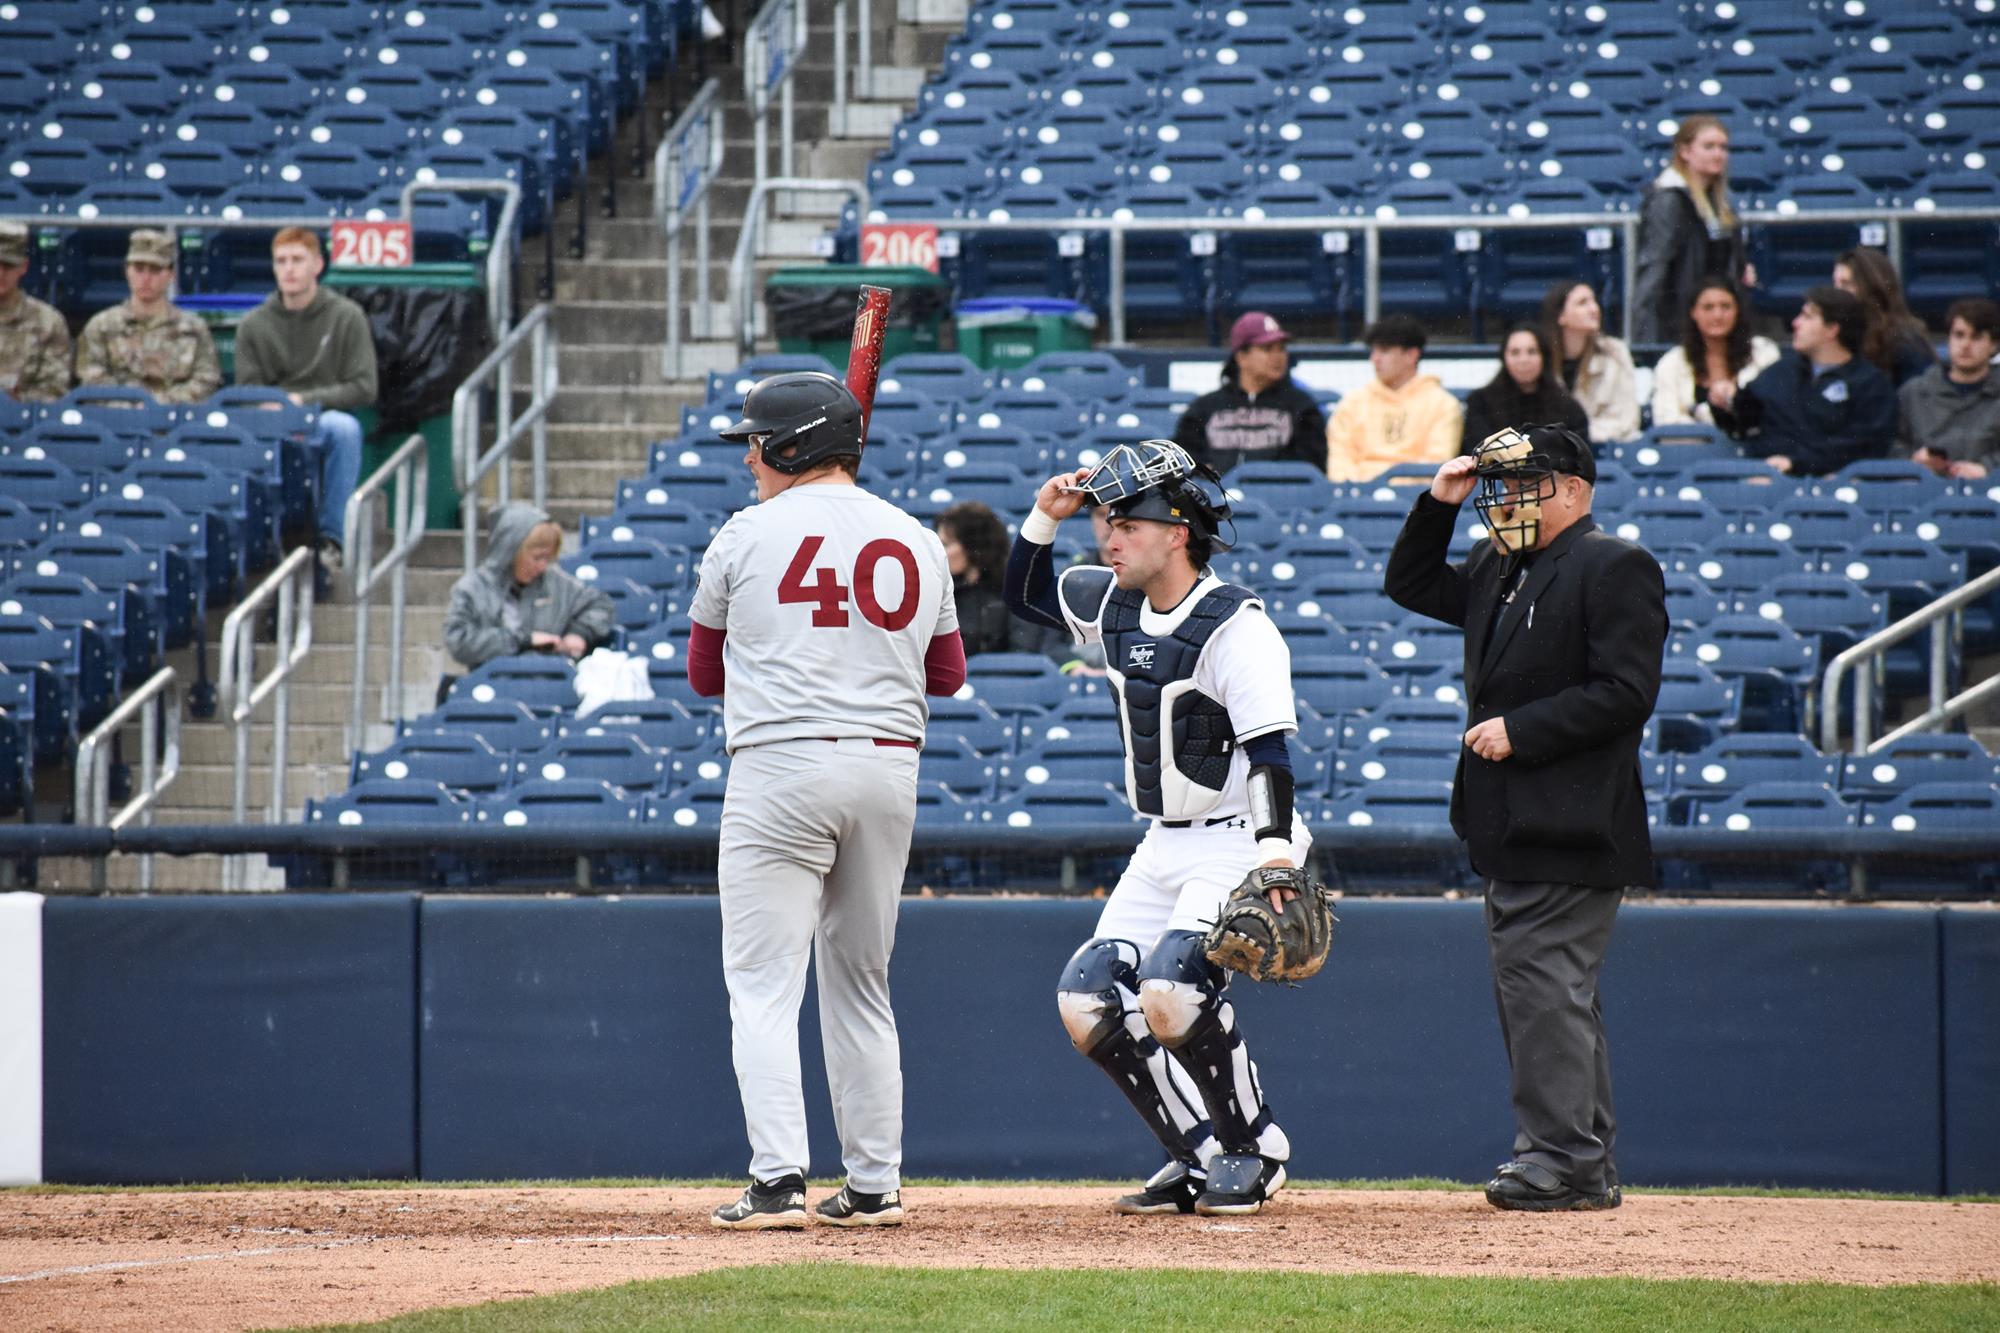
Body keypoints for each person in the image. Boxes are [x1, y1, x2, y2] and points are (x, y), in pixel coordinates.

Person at [1002, 439, 1313, 1217]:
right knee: (1089, 1000)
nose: (1108, 535)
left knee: (1172, 989)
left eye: (1126, 522)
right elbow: (1023, 592)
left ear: (1177, 531)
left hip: (1239, 831)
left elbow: (1270, 751)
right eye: (1106, 520)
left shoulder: (1236, 625)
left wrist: (1275, 858)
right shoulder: (1112, 601)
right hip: (1164, 838)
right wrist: (1047, 514)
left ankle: (1254, 1147)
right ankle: (1199, 1154)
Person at [687, 371, 965, 1231]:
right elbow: (947, 675)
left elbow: (703, 672)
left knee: (765, 985)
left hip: (780, 764)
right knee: (861, 983)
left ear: (790, 445)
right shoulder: (917, 537)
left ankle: (777, 1180)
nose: (749, 458)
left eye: (755, 442)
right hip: (888, 769)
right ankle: (874, 1184)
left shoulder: (744, 534)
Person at [1384, 424, 1666, 1213]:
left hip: (1570, 820)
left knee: (1544, 991)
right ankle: (1580, 1157)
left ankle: (1563, 1160)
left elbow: (1626, 691)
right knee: (1552, 993)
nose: (1505, 499)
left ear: (1575, 489)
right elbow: (1408, 584)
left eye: (1524, 484)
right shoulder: (1498, 563)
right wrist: (1437, 504)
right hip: (1513, 824)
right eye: (1500, 486)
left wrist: (1523, 727)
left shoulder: (1615, 564)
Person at [233, 226, 377, 572]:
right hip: (271, 423)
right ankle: (256, 541)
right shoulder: (252, 324)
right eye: (281, 261)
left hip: (323, 418)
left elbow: (364, 386)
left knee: (343, 429)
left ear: (318, 265)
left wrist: (304, 401)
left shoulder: (347, 316)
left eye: (298, 260)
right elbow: (247, 394)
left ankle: (333, 540)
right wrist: (278, 409)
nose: (289, 269)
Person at [441, 502, 615, 700]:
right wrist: (523, 640)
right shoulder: (472, 588)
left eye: (547, 558)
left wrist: (580, 633)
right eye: (536, 557)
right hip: (489, 689)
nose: (542, 566)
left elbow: (600, 605)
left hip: (551, 689)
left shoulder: (556, 583)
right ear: (511, 552)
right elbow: (459, 641)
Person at [1734, 286, 1898, 477]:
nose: (1796, 323)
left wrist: (1797, 462)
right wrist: (1726, 403)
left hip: (1836, 488)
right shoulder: (1781, 371)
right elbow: (1745, 420)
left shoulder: (1871, 385)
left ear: (1832, 329)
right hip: (1772, 482)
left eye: (1807, 317)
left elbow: (1861, 447)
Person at [1632, 114, 1752, 346]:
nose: (1718, 154)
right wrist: (1646, 343)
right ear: (1685, 152)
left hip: (1713, 319)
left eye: (1723, 147)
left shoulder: (1721, 204)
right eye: (1709, 147)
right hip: (1677, 322)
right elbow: (1654, 271)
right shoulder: (1668, 201)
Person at [74, 229, 222, 405]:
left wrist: (158, 406)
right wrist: (128, 408)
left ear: (171, 274)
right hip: (116, 423)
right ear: (127, 271)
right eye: (139, 269)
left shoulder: (194, 329)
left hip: (175, 423)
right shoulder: (101, 326)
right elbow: (91, 379)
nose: (146, 278)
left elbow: (207, 381)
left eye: (155, 270)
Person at [1172, 311, 1329, 476]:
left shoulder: (1302, 407)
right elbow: (1184, 457)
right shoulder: (1205, 407)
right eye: (1267, 349)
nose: (1278, 357)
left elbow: (1311, 468)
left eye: (1281, 348)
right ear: (1241, 357)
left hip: (1279, 498)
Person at [1324, 314, 1464, 483]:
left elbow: (1435, 466)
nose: (1374, 359)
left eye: (1384, 351)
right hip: (1357, 500)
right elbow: (1339, 463)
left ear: (1411, 355)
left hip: (1416, 501)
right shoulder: (1352, 403)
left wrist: (1388, 490)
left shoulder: (1443, 405)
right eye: (1373, 350)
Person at [1648, 278, 1780, 436]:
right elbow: (1665, 422)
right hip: (1693, 450)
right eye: (1708, 307)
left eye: (1725, 306)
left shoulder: (1764, 353)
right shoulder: (1672, 363)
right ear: (1693, 313)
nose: (1717, 315)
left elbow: (1775, 415)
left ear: (1737, 310)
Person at [937, 499, 1065, 659]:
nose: (939, 552)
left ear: (971, 546)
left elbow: (1022, 653)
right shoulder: (938, 593)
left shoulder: (1015, 592)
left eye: (946, 544)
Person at [1895, 297, 2000, 481]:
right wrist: (1913, 462)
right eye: (1959, 335)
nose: (1966, 345)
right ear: (1949, 339)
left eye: (1976, 337)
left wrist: (1988, 469)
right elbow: (1894, 446)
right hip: (1923, 494)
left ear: (1994, 345)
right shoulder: (1913, 393)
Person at [1460, 323, 1589, 453]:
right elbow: (1477, 453)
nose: (1523, 360)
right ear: (1504, 357)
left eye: (1532, 352)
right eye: (1515, 352)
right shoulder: (1481, 403)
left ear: (1544, 357)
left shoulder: (1568, 408)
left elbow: (1577, 457)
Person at [1540, 281, 1640, 444]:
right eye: (1582, 303)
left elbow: (1627, 420)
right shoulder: (1538, 356)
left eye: (1594, 301)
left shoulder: (1615, 353)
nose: (1594, 309)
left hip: (1601, 450)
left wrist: (1574, 435)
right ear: (1560, 316)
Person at [1834, 247, 1937, 388]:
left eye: (1846, 284)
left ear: (1870, 287)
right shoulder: (1841, 334)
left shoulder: (1905, 342)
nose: (1837, 292)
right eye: (1836, 284)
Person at [0, 220, 72, 403]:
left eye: (8, 266)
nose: (0, 274)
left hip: (25, 425)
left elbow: (55, 389)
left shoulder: (48, 322)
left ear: (23, 266)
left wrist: (14, 403)